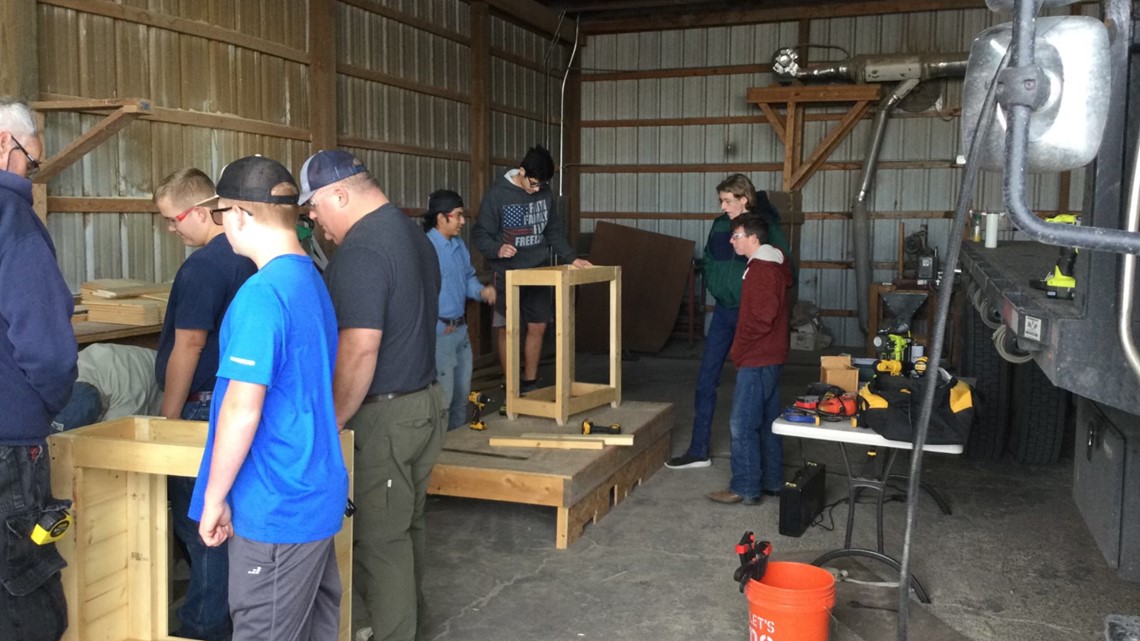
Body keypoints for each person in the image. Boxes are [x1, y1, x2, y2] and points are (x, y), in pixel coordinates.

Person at [190, 155, 348, 640]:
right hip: (314, 491)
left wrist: (214, 497)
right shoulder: (311, 281)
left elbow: (242, 407)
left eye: (220, 215)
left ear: (237, 215)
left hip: (277, 504)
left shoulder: (262, 295)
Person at [299, 149, 443, 641]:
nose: (314, 220)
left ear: (339, 194)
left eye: (315, 207)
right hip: (423, 404)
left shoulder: (362, 250)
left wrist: (333, 421)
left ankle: (394, 632)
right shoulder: (414, 236)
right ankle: (408, 624)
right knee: (407, 529)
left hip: (383, 417)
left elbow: (360, 347)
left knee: (379, 541)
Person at [154, 167, 256, 641]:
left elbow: (190, 344)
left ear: (197, 211)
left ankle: (203, 624)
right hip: (241, 400)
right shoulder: (246, 255)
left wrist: (168, 418)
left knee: (201, 522)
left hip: (200, 405)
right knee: (229, 515)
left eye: (173, 219)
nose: (172, 229)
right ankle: (232, 613)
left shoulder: (202, 267)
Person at [0, 96, 78, 641]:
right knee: (24, 591)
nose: (32, 170)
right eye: (33, 158)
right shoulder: (14, 224)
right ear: (5, 146)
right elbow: (49, 351)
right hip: (9, 442)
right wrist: (45, 406)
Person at [666, 173, 793, 470]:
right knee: (706, 380)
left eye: (727, 200)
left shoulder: (767, 227)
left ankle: (765, 467)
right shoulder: (720, 226)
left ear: (744, 199)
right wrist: (716, 284)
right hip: (723, 312)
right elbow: (709, 258)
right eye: (721, 200)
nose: (722, 206)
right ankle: (699, 450)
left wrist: (752, 298)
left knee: (757, 388)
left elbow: (785, 270)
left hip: (750, 314)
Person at [469, 145, 591, 393]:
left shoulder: (544, 194)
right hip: (507, 273)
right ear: (521, 172)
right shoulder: (497, 195)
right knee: (508, 329)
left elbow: (553, 230)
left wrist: (571, 258)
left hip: (538, 270)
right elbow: (480, 234)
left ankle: (530, 382)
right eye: (533, 183)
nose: (536, 189)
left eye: (541, 185)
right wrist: (497, 249)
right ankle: (511, 384)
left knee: (538, 326)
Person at [707, 214, 792, 504]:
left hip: (757, 358)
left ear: (754, 238)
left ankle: (744, 487)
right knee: (769, 421)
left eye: (737, 236)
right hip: (771, 355)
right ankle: (771, 481)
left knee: (741, 424)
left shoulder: (761, 270)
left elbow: (762, 317)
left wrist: (739, 348)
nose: (732, 241)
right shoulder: (772, 265)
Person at [422, 189, 495, 430]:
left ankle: (456, 445)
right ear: (442, 218)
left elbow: (468, 278)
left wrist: (481, 292)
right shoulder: (425, 249)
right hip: (440, 335)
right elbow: (417, 295)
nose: (463, 221)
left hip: (461, 332)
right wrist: (436, 327)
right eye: (458, 215)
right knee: (444, 398)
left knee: (462, 396)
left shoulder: (459, 245)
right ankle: (440, 451)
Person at [52, 343, 162, 431]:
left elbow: (114, 441)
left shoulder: (127, 399)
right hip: (115, 370)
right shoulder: (65, 378)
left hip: (159, 384)